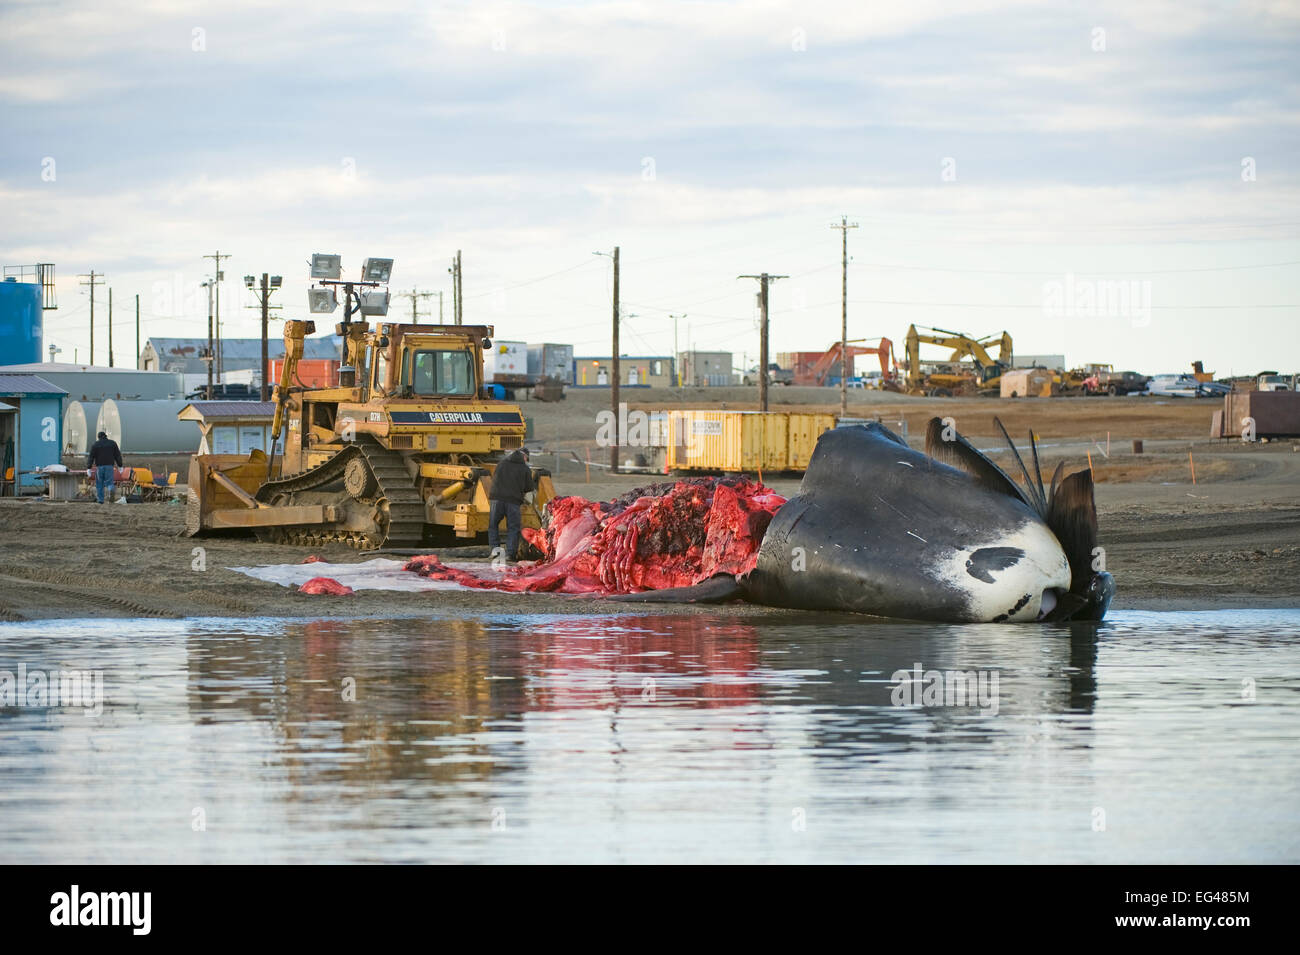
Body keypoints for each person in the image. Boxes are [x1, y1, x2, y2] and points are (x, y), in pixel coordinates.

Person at [488, 447, 533, 561]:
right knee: (513, 528)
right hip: (513, 502)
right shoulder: (525, 468)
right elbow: (529, 487)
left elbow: (495, 478)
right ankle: (509, 554)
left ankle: (495, 551)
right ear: (525, 457)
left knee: (493, 525)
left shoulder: (501, 464)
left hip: (496, 499)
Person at [87, 431, 123, 504]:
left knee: (99, 483)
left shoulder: (95, 444)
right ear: (106, 436)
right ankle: (111, 490)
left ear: (99, 437)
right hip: (109, 466)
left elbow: (91, 457)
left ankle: (101, 500)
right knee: (109, 482)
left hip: (99, 467)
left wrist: (89, 467)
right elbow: (117, 455)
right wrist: (120, 465)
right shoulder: (112, 443)